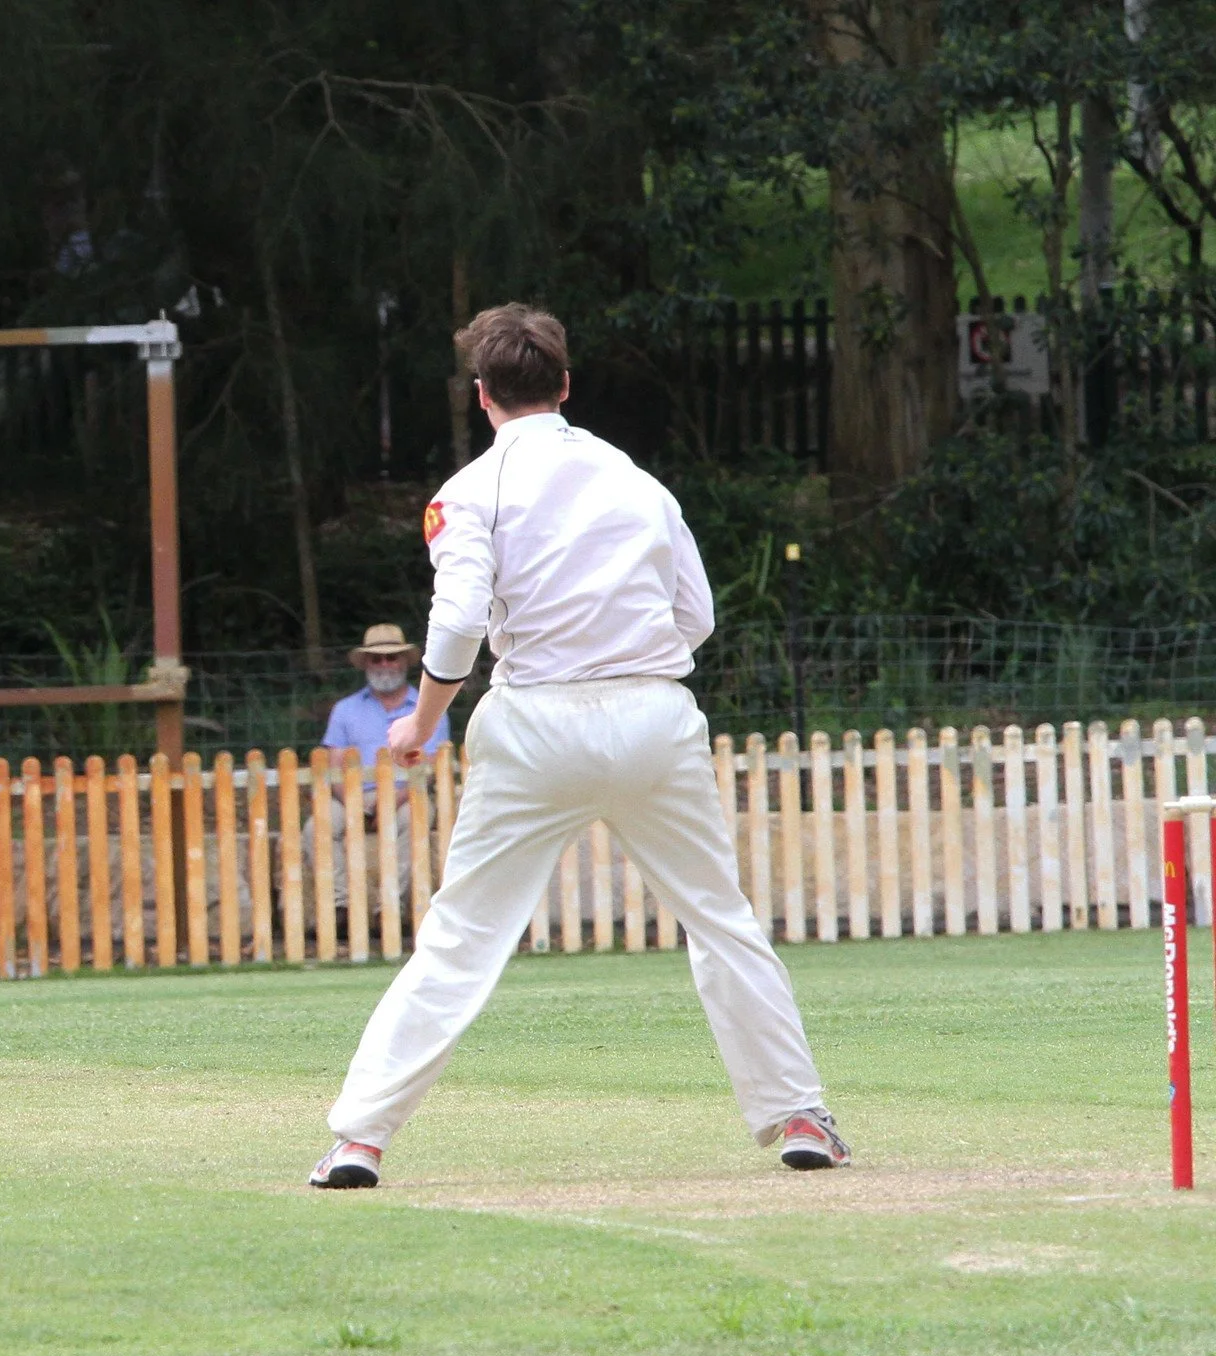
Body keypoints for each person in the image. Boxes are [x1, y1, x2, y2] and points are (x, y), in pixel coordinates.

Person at [310, 304, 850, 1189]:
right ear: (565, 384)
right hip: (652, 718)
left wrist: (421, 720)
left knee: (461, 936)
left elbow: (456, 624)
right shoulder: (640, 483)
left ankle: (360, 1138)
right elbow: (698, 618)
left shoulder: (468, 491)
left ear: (482, 397)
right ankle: (799, 1114)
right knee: (720, 919)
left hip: (536, 723)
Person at [307, 624, 450, 913]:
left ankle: (390, 907)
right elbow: (334, 768)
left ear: (404, 662)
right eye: (376, 659)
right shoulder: (345, 710)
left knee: (414, 818)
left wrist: (390, 801)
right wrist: (355, 805)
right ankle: (342, 907)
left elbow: (431, 767)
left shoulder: (428, 707)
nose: (385, 664)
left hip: (406, 795)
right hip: (352, 796)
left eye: (391, 657)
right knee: (316, 827)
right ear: (366, 665)